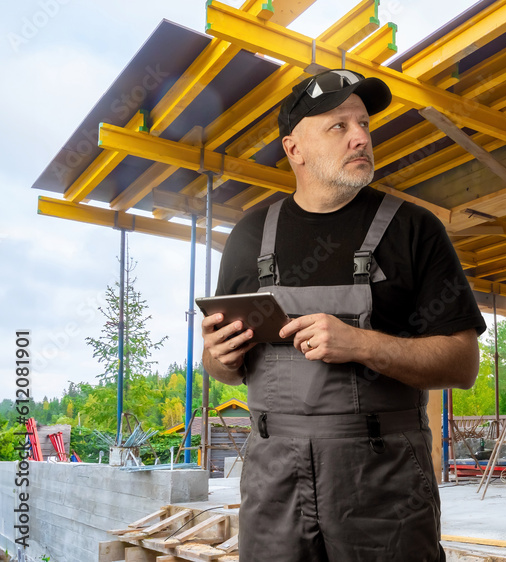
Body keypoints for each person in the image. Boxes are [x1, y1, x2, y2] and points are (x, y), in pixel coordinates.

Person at [201, 69, 486, 561]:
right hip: (274, 484)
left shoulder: (414, 229)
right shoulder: (249, 238)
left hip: (384, 482)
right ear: (295, 150)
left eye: (364, 125)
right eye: (339, 126)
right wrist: (218, 358)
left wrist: (361, 344)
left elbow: (463, 365)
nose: (361, 137)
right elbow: (221, 371)